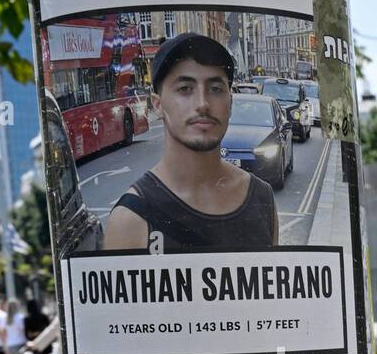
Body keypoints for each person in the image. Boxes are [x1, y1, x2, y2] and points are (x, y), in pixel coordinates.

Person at [103, 33, 278, 253]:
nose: (202, 103)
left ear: (230, 103)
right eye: (185, 89)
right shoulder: (128, 219)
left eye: (215, 89)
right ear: (157, 105)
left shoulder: (263, 200)